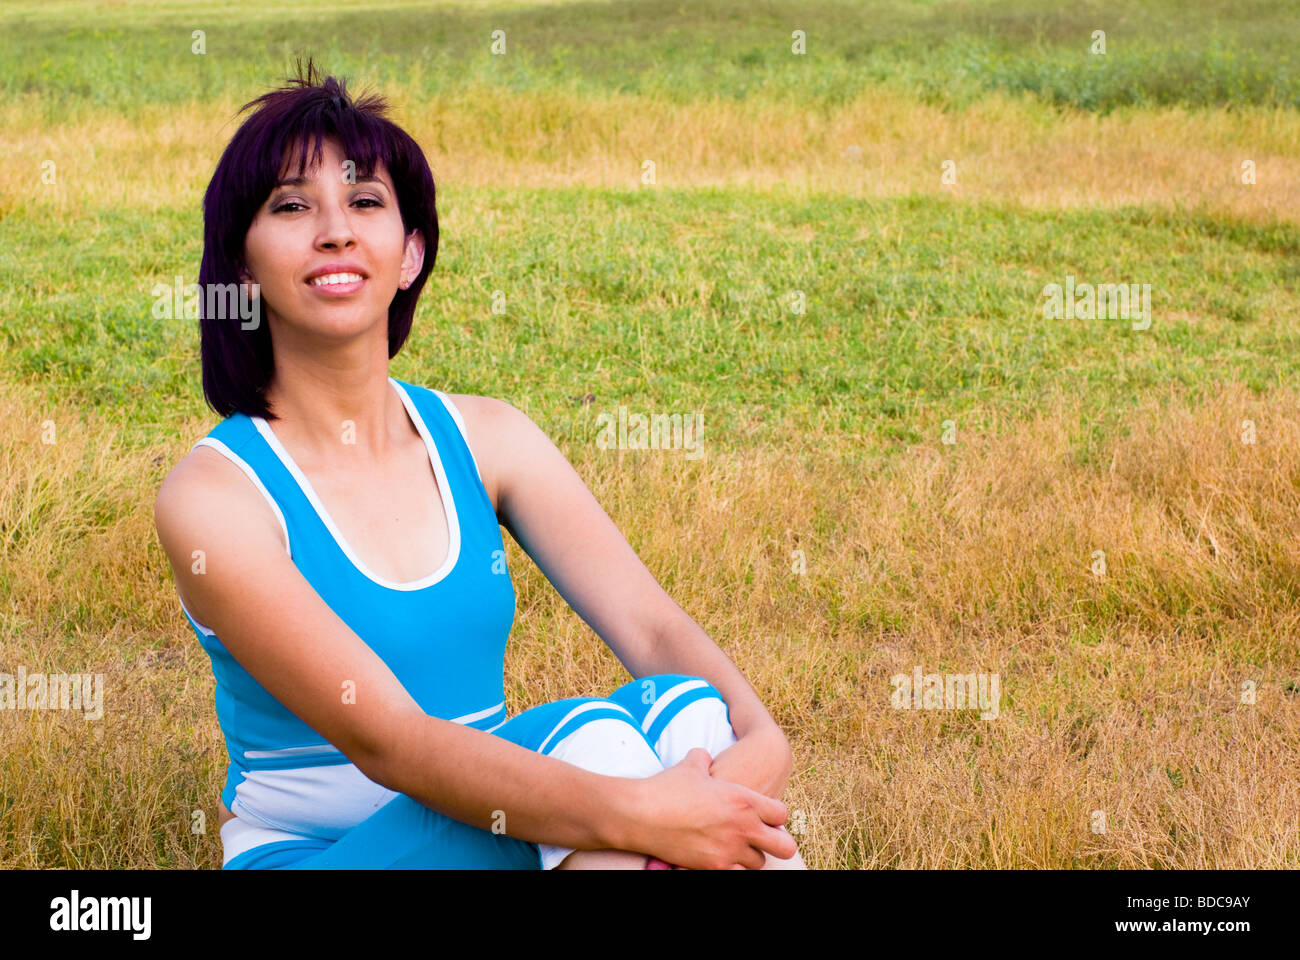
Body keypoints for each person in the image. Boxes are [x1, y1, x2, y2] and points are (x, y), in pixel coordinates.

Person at [152, 59, 805, 870]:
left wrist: (755, 745)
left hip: (502, 826)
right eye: (292, 206)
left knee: (689, 713)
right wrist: (646, 816)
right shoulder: (216, 497)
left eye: (365, 202)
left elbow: (653, 627)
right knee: (600, 754)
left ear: (412, 252)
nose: (335, 231)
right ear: (243, 264)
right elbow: (390, 742)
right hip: (321, 855)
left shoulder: (488, 437)